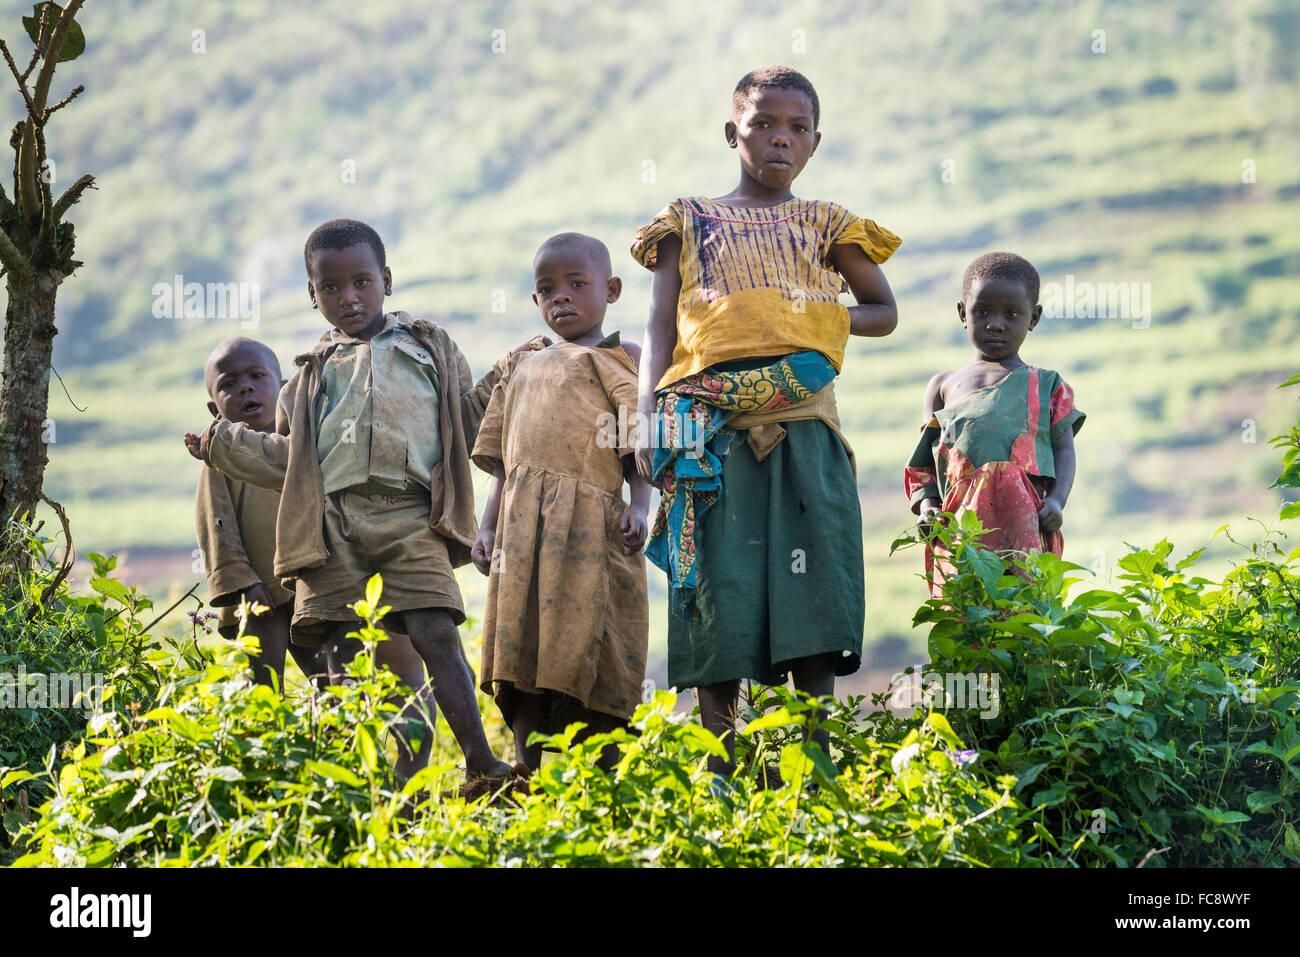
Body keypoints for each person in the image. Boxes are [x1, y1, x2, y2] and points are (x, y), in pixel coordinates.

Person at [184, 218, 541, 788]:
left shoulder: (428, 347)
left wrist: (507, 370)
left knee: (435, 632)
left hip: (411, 518)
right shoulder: (306, 378)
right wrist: (225, 445)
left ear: (387, 280)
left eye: (361, 282)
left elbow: (468, 419)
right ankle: (354, 783)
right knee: (337, 653)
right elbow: (291, 461)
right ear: (312, 294)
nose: (347, 297)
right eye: (331, 287)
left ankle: (481, 762)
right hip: (334, 529)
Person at [631, 66, 900, 779]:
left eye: (796, 129)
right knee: (721, 597)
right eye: (762, 125)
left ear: (815, 142)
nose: (780, 139)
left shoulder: (828, 224)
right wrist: (644, 414)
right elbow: (658, 324)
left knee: (813, 598)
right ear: (732, 133)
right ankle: (723, 773)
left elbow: (884, 310)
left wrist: (805, 315)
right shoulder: (685, 219)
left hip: (805, 433)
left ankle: (813, 773)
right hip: (708, 438)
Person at [470, 233, 650, 777]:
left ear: (611, 290)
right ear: (534, 302)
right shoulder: (522, 367)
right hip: (523, 534)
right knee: (521, 645)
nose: (562, 298)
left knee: (597, 640)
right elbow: (506, 462)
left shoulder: (620, 357)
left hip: (592, 530)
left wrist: (641, 507)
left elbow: (640, 445)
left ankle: (604, 775)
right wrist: (487, 527)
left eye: (577, 284)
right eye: (548, 290)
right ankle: (526, 771)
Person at [905, 251, 1084, 596]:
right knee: (964, 617)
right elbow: (924, 463)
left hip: (1027, 524)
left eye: (1011, 314)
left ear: (1033, 318)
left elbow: (1064, 448)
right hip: (961, 528)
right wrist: (927, 508)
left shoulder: (1047, 384)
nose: (995, 324)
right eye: (982, 312)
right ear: (962, 313)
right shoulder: (943, 386)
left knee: (1026, 616)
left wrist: (1057, 501)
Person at [194, 337, 320, 691]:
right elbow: (214, 522)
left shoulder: (303, 440)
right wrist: (242, 582)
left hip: (312, 578)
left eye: (256, 376)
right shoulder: (220, 455)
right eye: (229, 384)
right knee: (262, 683)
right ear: (214, 408)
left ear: (283, 388)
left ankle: (329, 741)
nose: (245, 387)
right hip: (257, 588)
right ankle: (265, 743)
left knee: (329, 674)